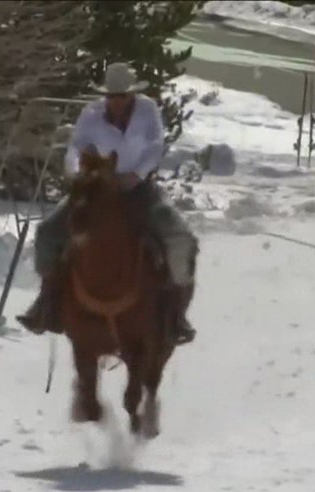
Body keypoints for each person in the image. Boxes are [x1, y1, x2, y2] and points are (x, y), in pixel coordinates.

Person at [16, 62, 198, 345]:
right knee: (48, 232)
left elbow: (154, 145)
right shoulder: (91, 114)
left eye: (122, 95)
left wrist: (136, 175)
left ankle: (175, 312)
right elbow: (76, 148)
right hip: (96, 188)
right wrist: (80, 173)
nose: (117, 101)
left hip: (138, 188)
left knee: (179, 236)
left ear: (132, 95)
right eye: (112, 96)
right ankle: (47, 301)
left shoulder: (148, 110)